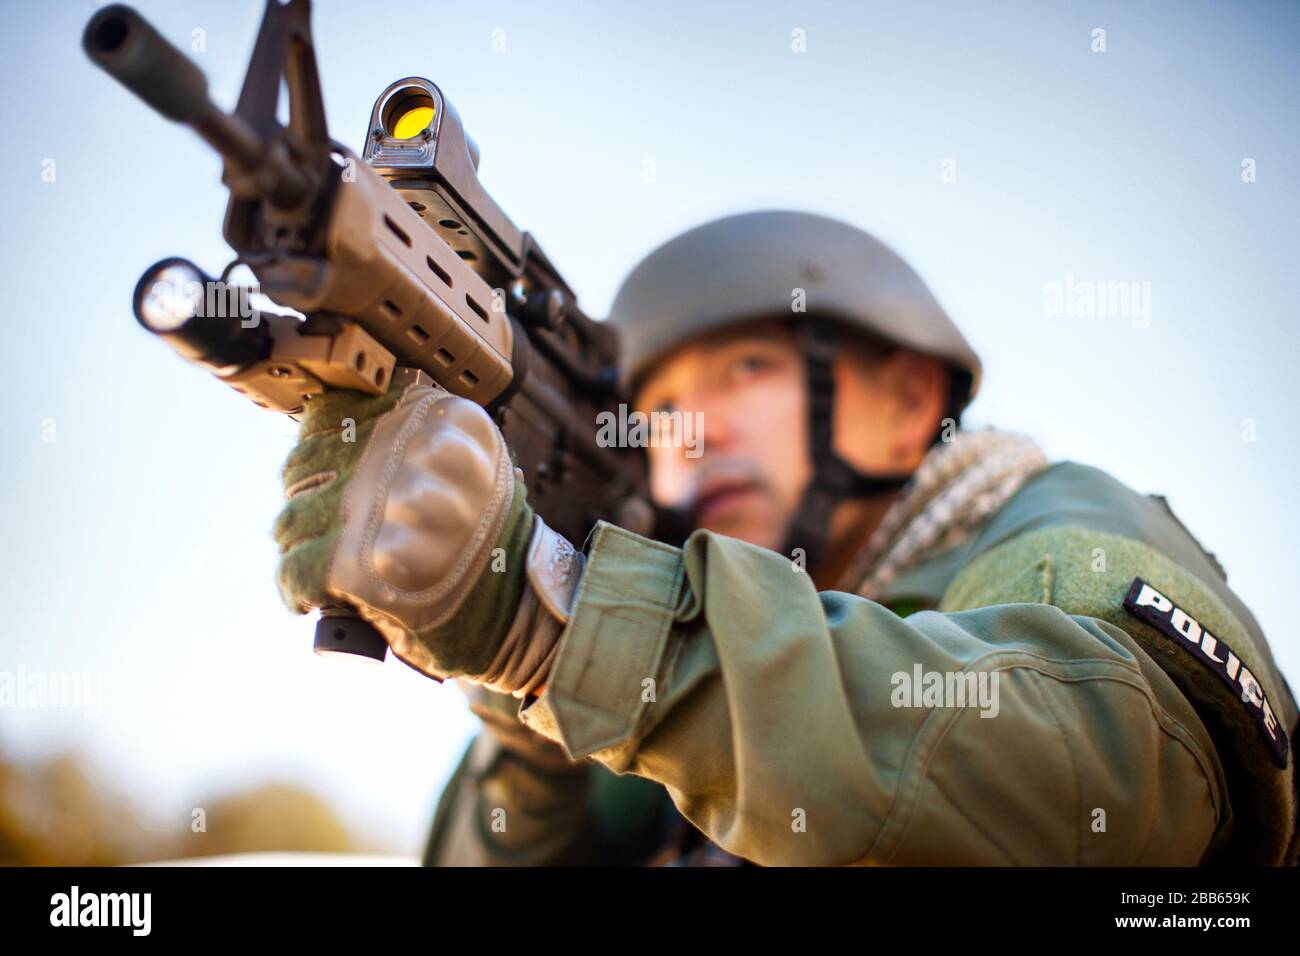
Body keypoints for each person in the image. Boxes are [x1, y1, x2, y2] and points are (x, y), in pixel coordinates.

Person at [272, 210, 1298, 866]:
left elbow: (1110, 785)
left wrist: (558, 627)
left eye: (747, 369)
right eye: (661, 405)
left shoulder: (1057, 523)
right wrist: (524, 723)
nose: (693, 428)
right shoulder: (675, 673)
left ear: (906, 403)